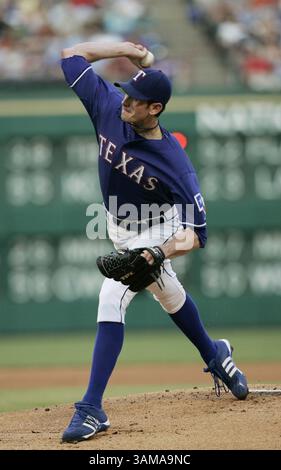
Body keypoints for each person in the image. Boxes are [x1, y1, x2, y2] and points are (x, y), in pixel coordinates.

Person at [60, 41, 248, 443]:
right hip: (118, 224)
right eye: (127, 91)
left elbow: (195, 235)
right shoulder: (109, 104)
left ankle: (91, 408)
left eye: (136, 99)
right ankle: (216, 354)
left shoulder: (176, 165)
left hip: (159, 228)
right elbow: (70, 55)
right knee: (167, 292)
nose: (126, 100)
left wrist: (156, 252)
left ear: (155, 109)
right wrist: (123, 48)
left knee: (112, 296)